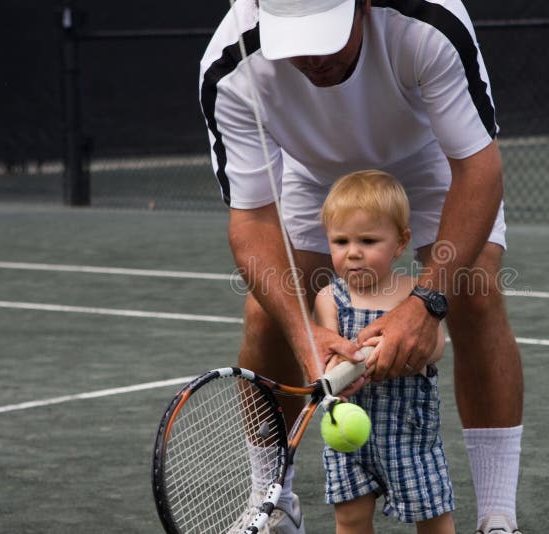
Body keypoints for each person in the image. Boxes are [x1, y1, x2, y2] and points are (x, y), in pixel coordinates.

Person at [200, 1, 524, 533]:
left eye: (323, 35)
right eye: (293, 39)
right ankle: (270, 500)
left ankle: (497, 517)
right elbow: (253, 223)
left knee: (475, 291)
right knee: (267, 316)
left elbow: (478, 168)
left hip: (430, 159)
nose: (309, 56)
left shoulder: (426, 24)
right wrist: (306, 338)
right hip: (312, 173)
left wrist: (426, 303)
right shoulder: (231, 64)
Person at [314, 170, 453, 533]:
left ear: (400, 242)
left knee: (433, 515)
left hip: (407, 430)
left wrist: (392, 350)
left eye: (369, 240)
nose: (353, 252)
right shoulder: (329, 298)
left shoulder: (414, 296)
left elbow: (435, 346)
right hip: (348, 429)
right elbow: (326, 356)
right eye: (340, 241)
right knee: (350, 518)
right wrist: (341, 363)